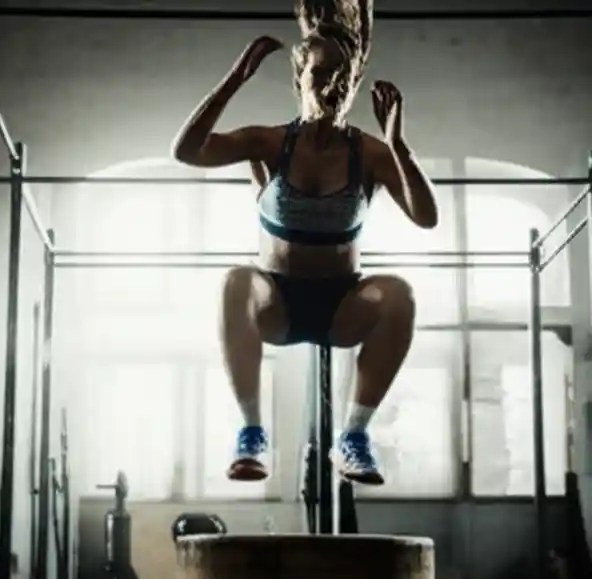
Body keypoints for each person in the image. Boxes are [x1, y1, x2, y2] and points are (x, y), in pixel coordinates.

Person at [170, 0, 438, 486]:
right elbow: (187, 151)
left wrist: (399, 147)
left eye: (342, 77)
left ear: (354, 83)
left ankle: (354, 437)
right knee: (235, 281)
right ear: (300, 77)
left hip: (341, 307)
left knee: (398, 292)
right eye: (320, 74)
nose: (331, 87)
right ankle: (252, 432)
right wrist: (233, 81)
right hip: (278, 303)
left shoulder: (370, 153)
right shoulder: (271, 143)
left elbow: (426, 218)